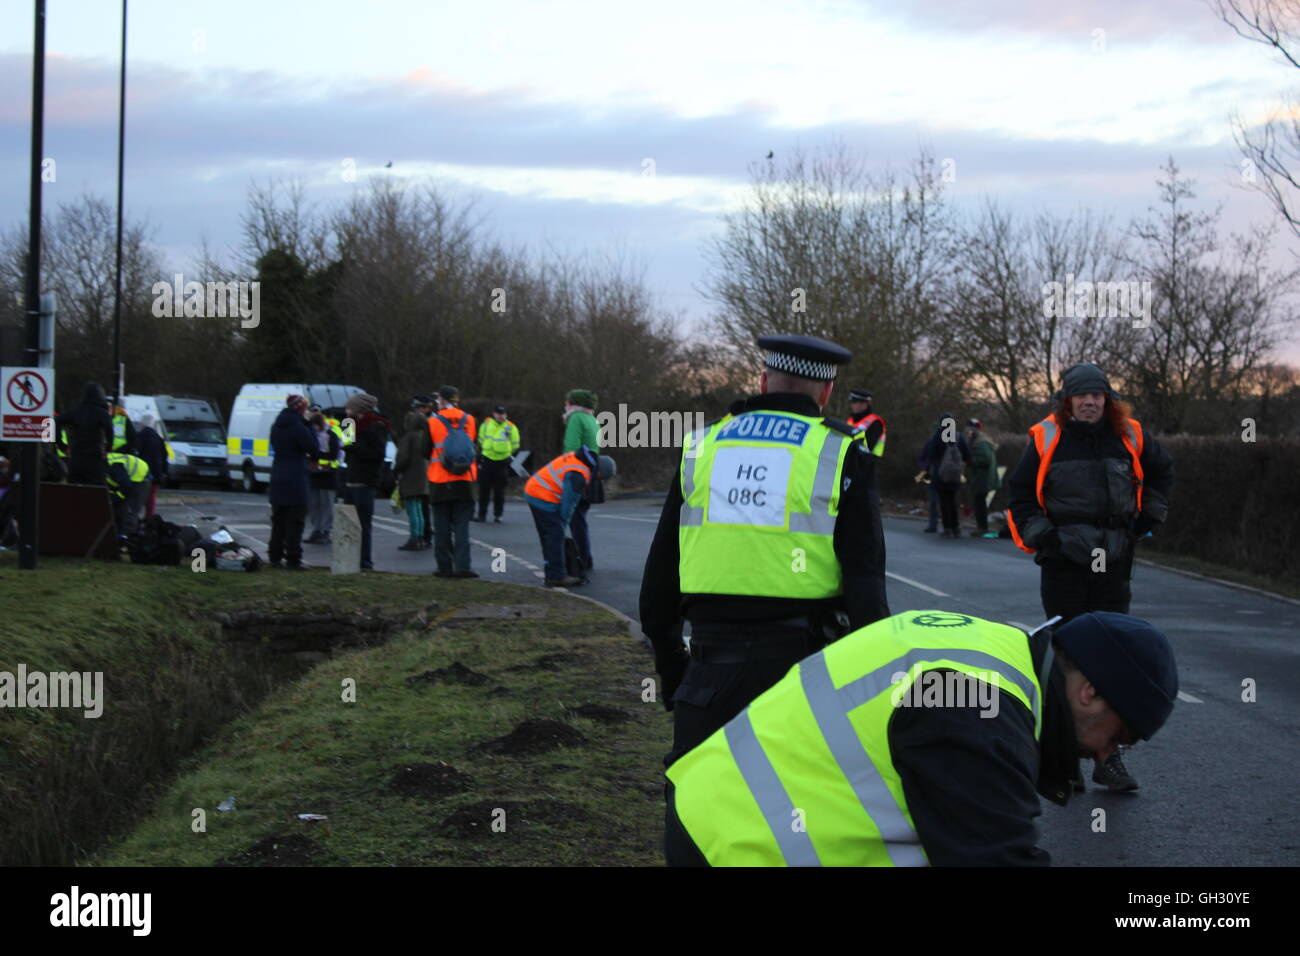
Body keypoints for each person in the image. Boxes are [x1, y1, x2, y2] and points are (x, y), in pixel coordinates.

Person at [664, 608, 1178, 866]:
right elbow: (993, 858)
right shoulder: (982, 708)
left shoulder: (993, 648)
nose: (1106, 754)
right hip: (739, 847)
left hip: (722, 808)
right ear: (1090, 693)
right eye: (1122, 735)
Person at [640, 333, 892, 845]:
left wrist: (674, 669)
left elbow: (661, 573)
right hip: (804, 672)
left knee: (696, 803)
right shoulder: (840, 449)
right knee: (800, 811)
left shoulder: (701, 445)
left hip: (709, 671)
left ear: (761, 380)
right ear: (825, 393)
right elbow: (865, 582)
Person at [1007, 362, 1174, 792]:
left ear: (1107, 399)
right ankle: (1063, 759)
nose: (1090, 402)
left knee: (1112, 660)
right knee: (1066, 660)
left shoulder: (1131, 434)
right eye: (1081, 396)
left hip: (1113, 562)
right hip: (1065, 564)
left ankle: (1107, 757)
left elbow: (1162, 470)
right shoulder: (1046, 438)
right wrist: (1045, 538)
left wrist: (1150, 513)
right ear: (1067, 401)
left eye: (1097, 395)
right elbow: (1020, 495)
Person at [525, 447, 616, 586]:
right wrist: (562, 523)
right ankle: (556, 576)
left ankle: (552, 569)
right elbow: (568, 504)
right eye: (601, 478)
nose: (599, 481)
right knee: (555, 535)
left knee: (550, 535)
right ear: (600, 472)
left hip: (535, 489)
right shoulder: (579, 475)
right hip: (543, 496)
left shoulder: (577, 458)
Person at [426, 385, 478, 579]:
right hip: (464, 480)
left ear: (441, 400)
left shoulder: (432, 421)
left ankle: (444, 567)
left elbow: (425, 450)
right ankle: (463, 566)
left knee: (441, 527)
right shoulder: (470, 420)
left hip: (440, 480)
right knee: (462, 526)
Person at [267, 394, 318, 569]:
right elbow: (312, 446)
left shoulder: (277, 425)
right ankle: (293, 558)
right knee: (295, 521)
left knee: (278, 521)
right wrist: (309, 424)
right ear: (301, 409)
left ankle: (274, 556)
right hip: (296, 477)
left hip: (278, 474)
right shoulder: (298, 425)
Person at [343, 392, 391, 571]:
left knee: (363, 524)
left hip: (366, 480)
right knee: (348, 522)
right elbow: (347, 446)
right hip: (351, 478)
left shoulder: (376, 426)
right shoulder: (352, 424)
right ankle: (349, 557)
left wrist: (354, 446)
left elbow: (377, 454)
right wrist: (347, 426)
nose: (346, 410)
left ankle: (364, 560)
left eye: (349, 408)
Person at [562, 388, 601, 569]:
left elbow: (571, 448)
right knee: (580, 518)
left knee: (575, 519)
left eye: (567, 401)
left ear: (573, 403)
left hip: (578, 472)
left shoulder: (576, 418)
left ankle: (582, 559)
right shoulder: (592, 419)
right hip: (592, 471)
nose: (565, 404)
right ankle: (586, 557)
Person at [918, 413, 972, 538]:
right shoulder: (958, 437)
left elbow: (931, 455)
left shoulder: (937, 436)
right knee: (953, 500)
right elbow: (967, 456)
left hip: (940, 473)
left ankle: (947, 527)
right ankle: (956, 527)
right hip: (955, 474)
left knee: (944, 501)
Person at [56, 383, 114, 485]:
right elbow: (110, 432)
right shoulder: (103, 414)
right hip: (95, 460)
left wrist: (61, 445)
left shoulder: (75, 412)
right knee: (96, 492)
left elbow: (54, 422)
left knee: (75, 492)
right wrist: (108, 448)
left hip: (76, 459)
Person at [474, 404, 520, 523]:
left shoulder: (510, 427)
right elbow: (481, 438)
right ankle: (481, 515)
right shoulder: (486, 424)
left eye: (503, 414)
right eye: (499, 414)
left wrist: (506, 451)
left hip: (502, 461)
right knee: (484, 489)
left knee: (499, 491)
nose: (501, 416)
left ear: (506, 414)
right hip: (487, 459)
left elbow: (515, 444)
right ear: (494, 414)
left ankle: (498, 515)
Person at [394, 408, 432, 550]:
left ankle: (414, 538)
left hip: (410, 477)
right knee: (420, 510)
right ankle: (421, 537)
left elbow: (403, 458)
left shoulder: (409, 437)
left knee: (412, 509)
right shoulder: (425, 436)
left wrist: (396, 470)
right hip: (423, 478)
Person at [305, 410, 341, 545]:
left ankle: (326, 531)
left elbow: (334, 455)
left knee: (327, 505)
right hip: (315, 474)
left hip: (328, 474)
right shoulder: (312, 435)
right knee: (315, 504)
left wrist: (316, 455)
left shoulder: (331, 434)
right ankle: (316, 529)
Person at [966, 418, 1000, 538]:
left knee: (979, 504)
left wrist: (970, 461)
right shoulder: (978, 440)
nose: (968, 429)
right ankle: (981, 527)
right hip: (982, 478)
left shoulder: (981, 442)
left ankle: (982, 528)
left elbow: (985, 460)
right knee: (980, 503)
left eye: (970, 427)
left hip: (983, 479)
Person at [105, 450, 151, 537]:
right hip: (129, 478)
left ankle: (126, 536)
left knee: (130, 509)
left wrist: (118, 496)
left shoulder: (114, 466)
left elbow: (126, 486)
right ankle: (117, 532)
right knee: (119, 508)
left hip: (140, 479)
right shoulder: (104, 465)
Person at [411, 395, 436, 548]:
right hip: (428, 469)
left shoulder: (430, 423)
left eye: (419, 408)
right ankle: (425, 534)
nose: (416, 411)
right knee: (423, 505)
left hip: (429, 469)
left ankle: (423, 535)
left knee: (422, 505)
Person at [133, 414, 169, 518]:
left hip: (141, 472)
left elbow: (136, 453)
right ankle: (149, 518)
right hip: (156, 472)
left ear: (142, 424)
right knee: (151, 498)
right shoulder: (159, 439)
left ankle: (135, 518)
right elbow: (164, 456)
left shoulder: (139, 436)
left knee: (138, 497)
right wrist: (164, 472)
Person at [846, 387, 886, 457]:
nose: (852, 405)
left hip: (869, 463)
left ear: (865, 404)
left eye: (855, 402)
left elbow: (867, 447)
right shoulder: (850, 420)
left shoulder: (875, 422)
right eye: (852, 402)